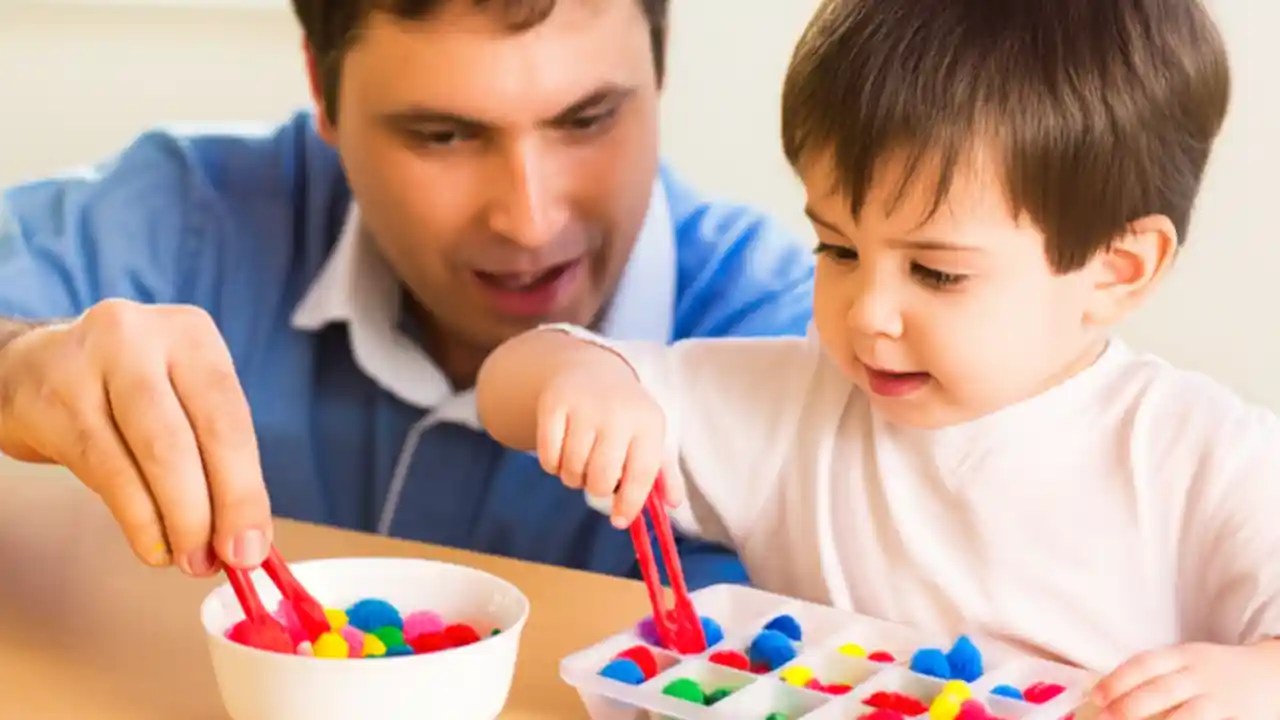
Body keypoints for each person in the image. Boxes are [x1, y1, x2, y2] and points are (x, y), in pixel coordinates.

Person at [477, 0, 1280, 716]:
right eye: (837, 247)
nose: (867, 313)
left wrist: (1256, 682)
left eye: (937, 272)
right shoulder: (794, 401)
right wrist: (579, 380)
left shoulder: (1200, 456)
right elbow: (507, 388)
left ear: (1116, 268)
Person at [0, 0, 814, 589]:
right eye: (445, 136)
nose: (529, 220)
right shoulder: (193, 217)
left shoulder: (804, 349)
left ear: (661, 68)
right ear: (322, 91)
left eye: (587, 118)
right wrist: (18, 367)